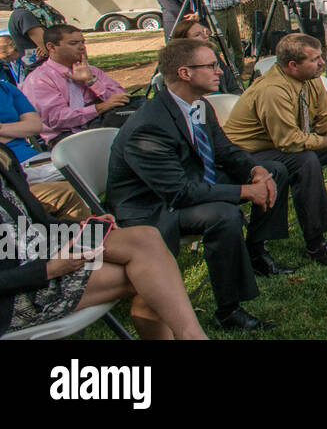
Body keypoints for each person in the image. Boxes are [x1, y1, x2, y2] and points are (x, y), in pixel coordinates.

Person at [107, 38, 296, 332]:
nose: (219, 71)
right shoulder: (149, 125)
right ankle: (229, 310)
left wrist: (255, 170)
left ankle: (256, 251)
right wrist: (246, 190)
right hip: (154, 208)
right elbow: (178, 193)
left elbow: (224, 151)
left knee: (275, 170)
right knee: (224, 215)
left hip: (193, 183)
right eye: (211, 66)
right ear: (185, 73)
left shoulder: (199, 104)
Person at [2, 145, 208, 339]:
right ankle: (192, 336)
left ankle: (192, 336)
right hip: (18, 289)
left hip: (43, 251)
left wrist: (80, 227)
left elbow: (37, 221)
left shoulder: (3, 156)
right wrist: (49, 270)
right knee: (152, 275)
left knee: (146, 237)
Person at [222, 33, 327, 225]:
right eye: (315, 59)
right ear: (292, 66)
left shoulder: (311, 78)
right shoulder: (272, 90)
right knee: (306, 160)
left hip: (279, 144)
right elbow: (289, 142)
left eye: (321, 56)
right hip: (248, 154)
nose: (322, 63)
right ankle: (316, 237)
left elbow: (324, 118)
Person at [21, 25, 132, 146]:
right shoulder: (39, 79)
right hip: (65, 138)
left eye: (82, 42)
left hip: (105, 128)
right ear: (51, 47)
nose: (81, 47)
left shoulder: (92, 71)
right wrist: (100, 108)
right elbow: (56, 119)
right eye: (73, 43)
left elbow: (122, 98)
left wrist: (92, 81)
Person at [0, 78, 88, 220]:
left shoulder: (5, 88)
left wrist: (2, 128)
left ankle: (97, 232)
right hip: (10, 169)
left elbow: (34, 126)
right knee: (76, 182)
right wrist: (16, 129)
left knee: (87, 168)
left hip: (33, 159)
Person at [199, 0, 252, 74]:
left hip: (230, 11)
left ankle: (238, 71)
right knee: (217, 44)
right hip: (216, 13)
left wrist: (240, 1)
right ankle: (217, 71)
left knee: (236, 43)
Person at [6, 0, 66, 75]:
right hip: (42, 75)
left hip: (56, 69)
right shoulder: (24, 15)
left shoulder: (46, 11)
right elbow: (49, 48)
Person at [169, 18, 242, 93]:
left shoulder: (214, 56)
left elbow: (233, 87)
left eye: (204, 32)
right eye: (197, 35)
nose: (205, 36)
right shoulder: (178, 66)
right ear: (183, 41)